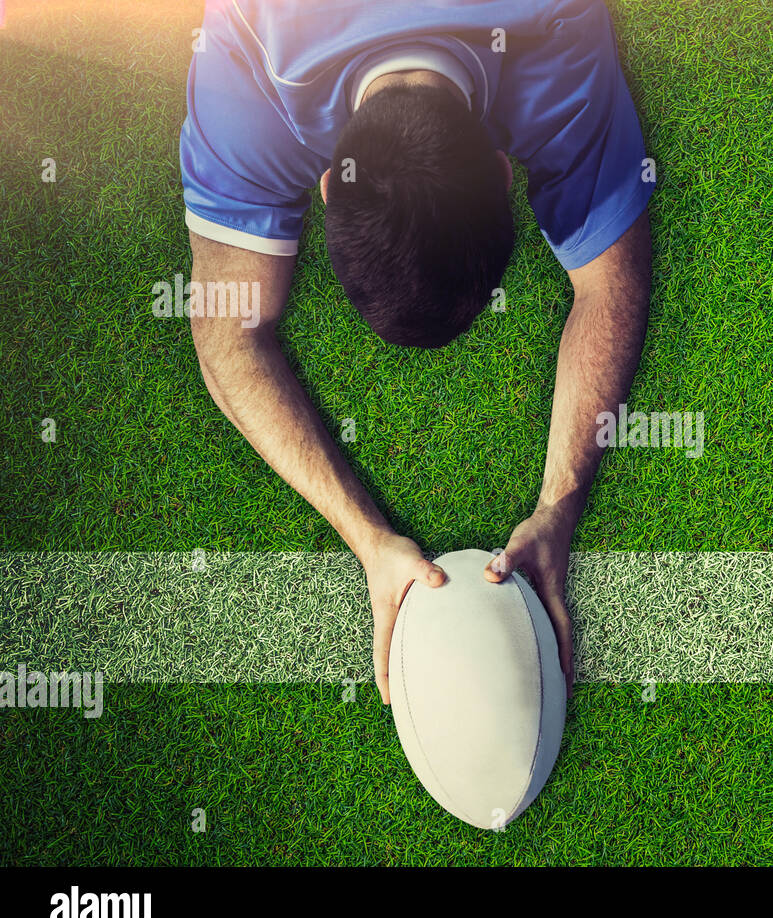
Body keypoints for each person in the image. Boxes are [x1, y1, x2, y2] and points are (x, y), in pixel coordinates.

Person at [181, 0, 654, 701]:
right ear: (503, 174)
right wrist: (551, 505)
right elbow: (608, 283)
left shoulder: (247, 50)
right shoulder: (556, 26)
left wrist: (554, 506)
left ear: (322, 188)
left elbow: (229, 334)